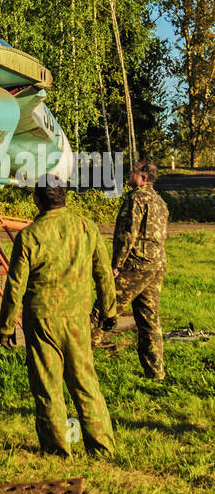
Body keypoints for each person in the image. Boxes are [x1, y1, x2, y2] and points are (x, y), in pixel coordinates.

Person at [0, 174, 117, 458]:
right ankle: (102, 448)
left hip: (42, 321)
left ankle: (56, 450)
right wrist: (110, 310)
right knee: (85, 383)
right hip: (78, 320)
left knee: (48, 386)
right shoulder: (87, 228)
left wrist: (6, 325)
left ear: (36, 200)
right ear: (65, 197)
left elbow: (15, 285)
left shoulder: (29, 236)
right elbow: (103, 273)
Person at [90, 158, 168, 380]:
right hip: (156, 265)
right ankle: (156, 374)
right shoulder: (160, 202)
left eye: (133, 171)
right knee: (149, 321)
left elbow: (127, 234)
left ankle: (78, 362)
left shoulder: (136, 199)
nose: (129, 174)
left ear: (143, 178)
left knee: (104, 309)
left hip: (135, 266)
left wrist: (116, 265)